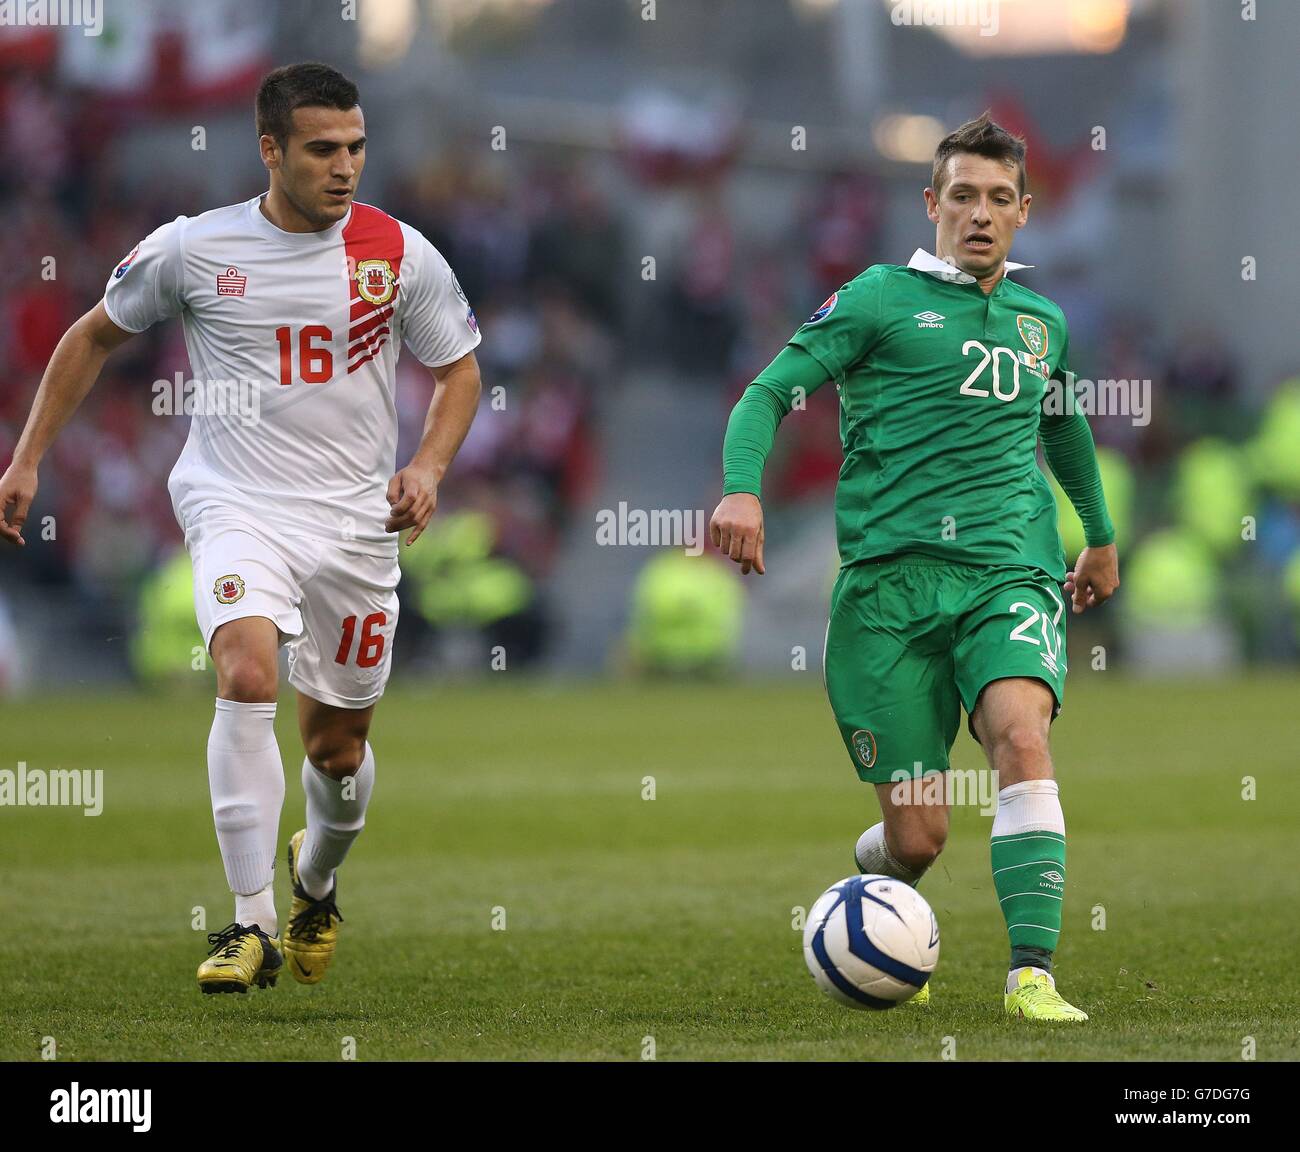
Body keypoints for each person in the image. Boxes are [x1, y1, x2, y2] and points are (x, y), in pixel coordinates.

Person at [0, 62, 483, 994]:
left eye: (356, 147)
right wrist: (25, 461)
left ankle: (317, 879)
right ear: (270, 150)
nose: (345, 167)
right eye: (322, 149)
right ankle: (248, 922)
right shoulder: (192, 248)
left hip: (354, 523)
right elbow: (90, 336)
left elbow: (460, 367)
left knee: (335, 751)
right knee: (247, 672)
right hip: (235, 500)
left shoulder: (397, 250)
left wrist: (425, 468)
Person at [711, 114, 1119, 1021]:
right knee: (921, 836)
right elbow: (768, 392)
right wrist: (743, 491)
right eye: (963, 196)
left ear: (1023, 212)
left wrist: (1096, 533)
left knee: (1021, 735)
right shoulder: (876, 299)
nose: (981, 214)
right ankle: (879, 874)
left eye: (1000, 199)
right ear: (931, 203)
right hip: (887, 593)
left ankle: (1031, 978)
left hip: (1007, 570)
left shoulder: (1041, 321)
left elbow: (1063, 426)